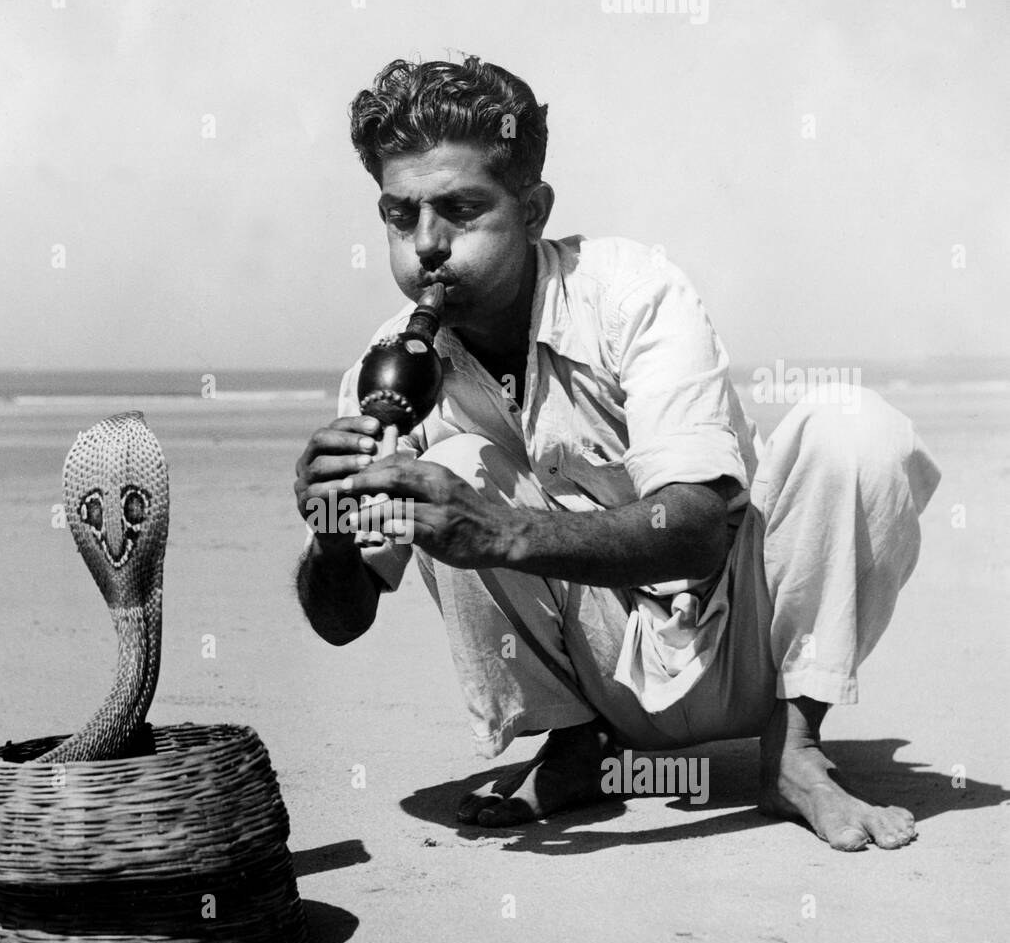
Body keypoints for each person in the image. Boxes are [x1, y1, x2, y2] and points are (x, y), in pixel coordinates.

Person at [293, 56, 941, 850]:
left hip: (747, 647)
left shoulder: (632, 291)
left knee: (855, 428)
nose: (426, 245)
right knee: (456, 466)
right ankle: (577, 740)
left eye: (460, 210)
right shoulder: (386, 369)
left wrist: (497, 532)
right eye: (401, 216)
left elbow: (702, 524)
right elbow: (340, 621)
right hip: (608, 672)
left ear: (533, 210)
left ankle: (795, 750)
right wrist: (331, 527)